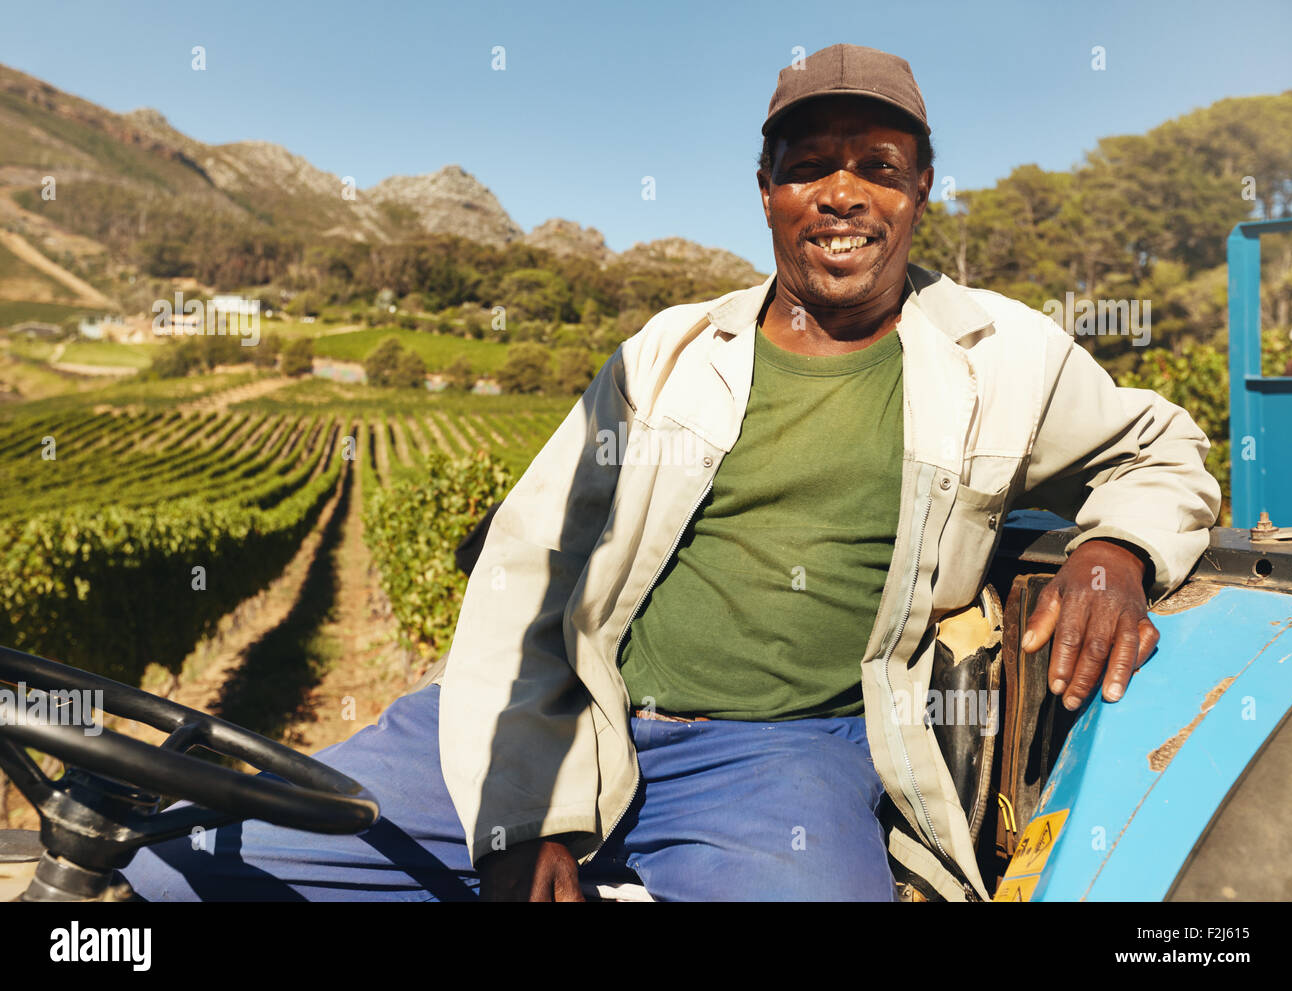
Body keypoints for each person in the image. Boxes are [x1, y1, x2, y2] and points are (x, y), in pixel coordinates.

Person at [122, 43, 1220, 902]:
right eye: (808, 166)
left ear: (920, 189)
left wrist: (1113, 550)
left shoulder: (1003, 354)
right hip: (573, 707)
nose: (842, 194)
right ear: (765, 190)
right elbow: (530, 572)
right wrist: (526, 809)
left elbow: (1159, 446)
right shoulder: (668, 353)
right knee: (176, 878)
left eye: (876, 168)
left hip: (781, 760)